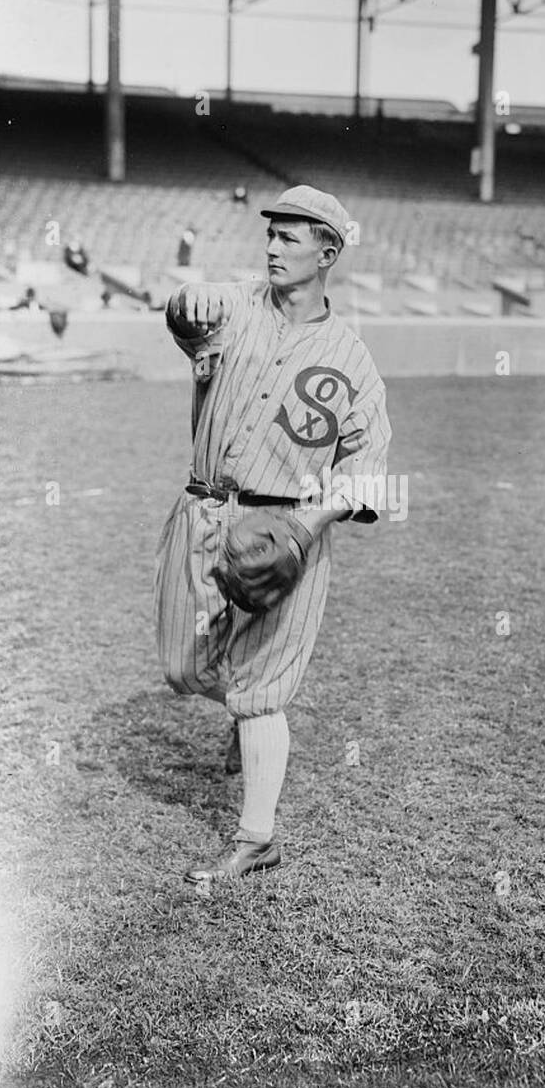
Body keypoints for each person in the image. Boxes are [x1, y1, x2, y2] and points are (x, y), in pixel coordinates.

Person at [154, 186, 391, 884]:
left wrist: (304, 525)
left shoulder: (352, 360)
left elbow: (365, 470)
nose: (273, 246)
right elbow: (188, 316)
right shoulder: (231, 306)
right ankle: (244, 712)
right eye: (271, 235)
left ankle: (257, 837)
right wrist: (184, 301)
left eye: (291, 237)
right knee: (182, 667)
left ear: (328, 252)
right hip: (206, 511)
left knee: (262, 693)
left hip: (287, 529)